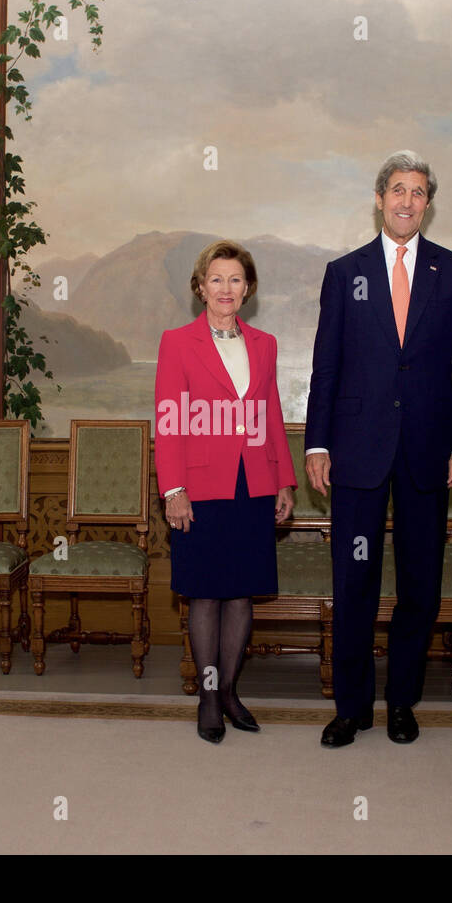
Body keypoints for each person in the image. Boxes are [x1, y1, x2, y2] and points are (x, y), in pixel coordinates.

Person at [305, 150, 452, 747]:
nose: (408, 201)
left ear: (428, 204)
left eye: (419, 192)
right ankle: (351, 707)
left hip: (429, 450)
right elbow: (326, 365)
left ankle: (402, 700)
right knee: (354, 580)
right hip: (356, 448)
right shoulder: (343, 271)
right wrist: (318, 442)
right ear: (379, 199)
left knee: (420, 584)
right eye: (398, 190)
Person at [155, 240, 297, 743]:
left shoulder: (265, 344)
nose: (226, 288)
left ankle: (232, 690)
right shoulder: (176, 342)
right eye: (217, 279)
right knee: (205, 595)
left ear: (248, 289)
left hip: (253, 484)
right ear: (200, 287)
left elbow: (271, 415)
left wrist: (283, 478)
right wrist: (173, 489)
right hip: (200, 487)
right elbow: (168, 422)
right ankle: (208, 697)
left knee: (241, 594)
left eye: (235, 279)